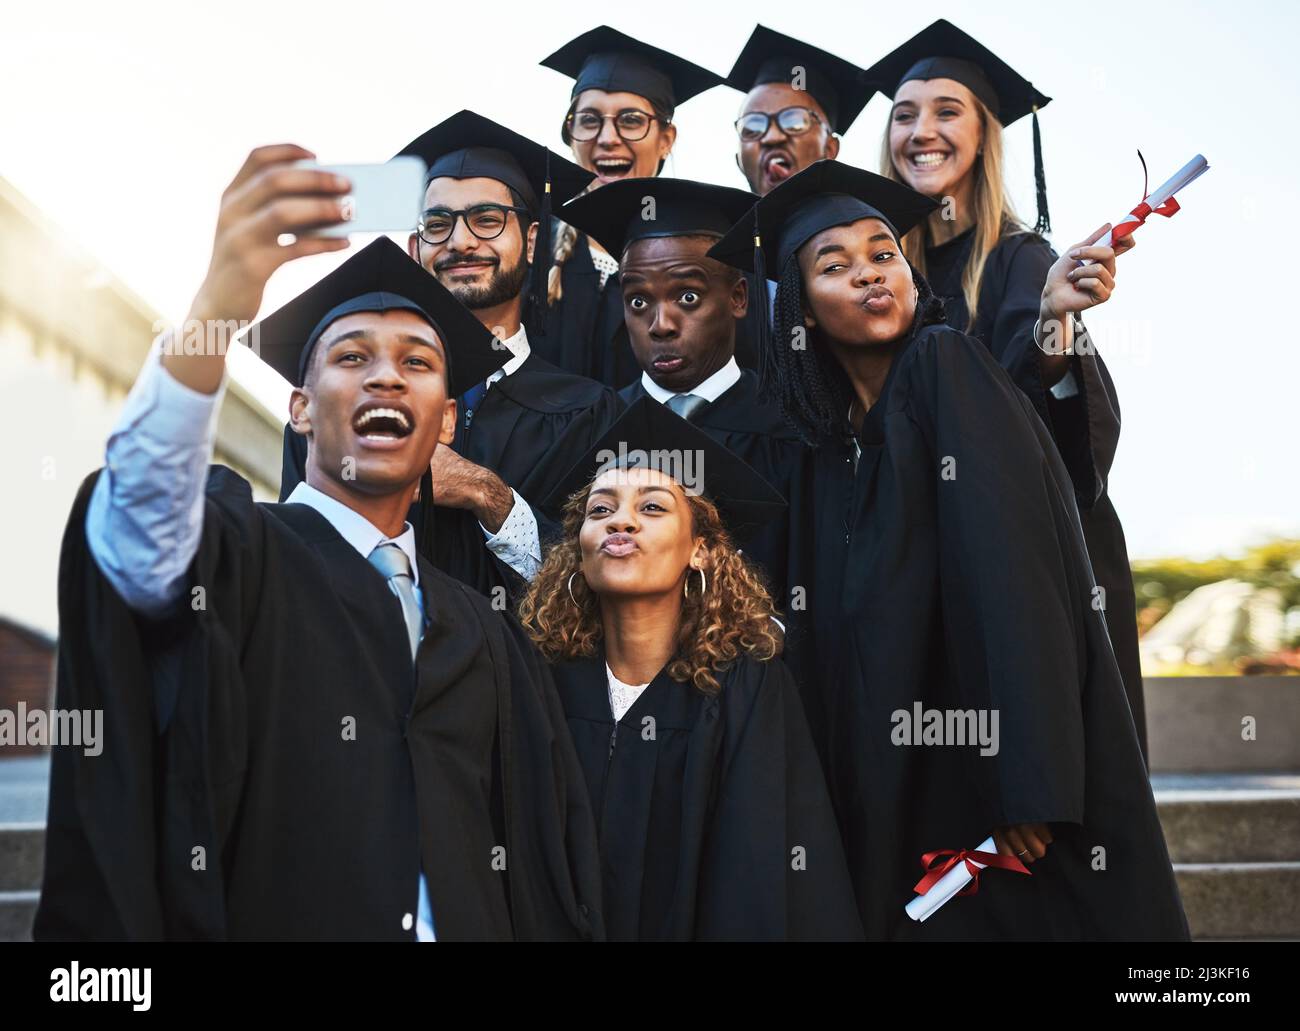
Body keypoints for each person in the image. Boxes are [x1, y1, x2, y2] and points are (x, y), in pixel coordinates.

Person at [35, 151, 602, 941]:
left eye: (417, 361)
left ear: (444, 423)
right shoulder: (239, 553)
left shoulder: (482, 632)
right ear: (300, 410)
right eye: (351, 356)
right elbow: (139, 525)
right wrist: (220, 301)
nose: (386, 378)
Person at [708, 161, 1188, 940]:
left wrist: (1029, 781)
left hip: (985, 790)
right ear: (799, 308)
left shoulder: (946, 367)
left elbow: (1019, 576)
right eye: (835, 265)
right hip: (890, 788)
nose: (870, 274)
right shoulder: (822, 452)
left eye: (883, 253)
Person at [860, 19, 1148, 756]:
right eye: (904, 113)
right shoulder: (874, 270)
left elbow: (1031, 398)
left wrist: (1053, 318)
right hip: (911, 552)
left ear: (986, 135)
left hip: (1019, 562)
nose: (921, 131)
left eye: (946, 111)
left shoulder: (1021, 260)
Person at [519, 398, 862, 940]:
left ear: (700, 551)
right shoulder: (539, 682)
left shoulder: (743, 687)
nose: (621, 521)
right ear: (576, 547)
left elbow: (758, 877)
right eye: (600, 510)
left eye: (652, 508)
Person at [280, 111, 619, 596]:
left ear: (531, 241)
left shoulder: (589, 414)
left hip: (522, 670)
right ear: (415, 248)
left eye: (487, 220)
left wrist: (488, 495)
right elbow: (292, 570)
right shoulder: (338, 403)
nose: (461, 241)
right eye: (438, 224)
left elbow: (603, 586)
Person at [558, 175, 812, 615]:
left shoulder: (790, 430)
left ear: (738, 297)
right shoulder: (594, 427)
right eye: (638, 301)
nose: (660, 324)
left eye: (688, 296)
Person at [538, 25, 725, 387]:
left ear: (666, 139)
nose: (608, 139)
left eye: (631, 121)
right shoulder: (532, 251)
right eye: (589, 120)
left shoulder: (710, 255)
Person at [725, 24, 870, 196]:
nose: (772, 137)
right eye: (753, 127)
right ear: (739, 160)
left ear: (830, 149)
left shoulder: (861, 221)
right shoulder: (710, 221)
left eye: (795, 122)